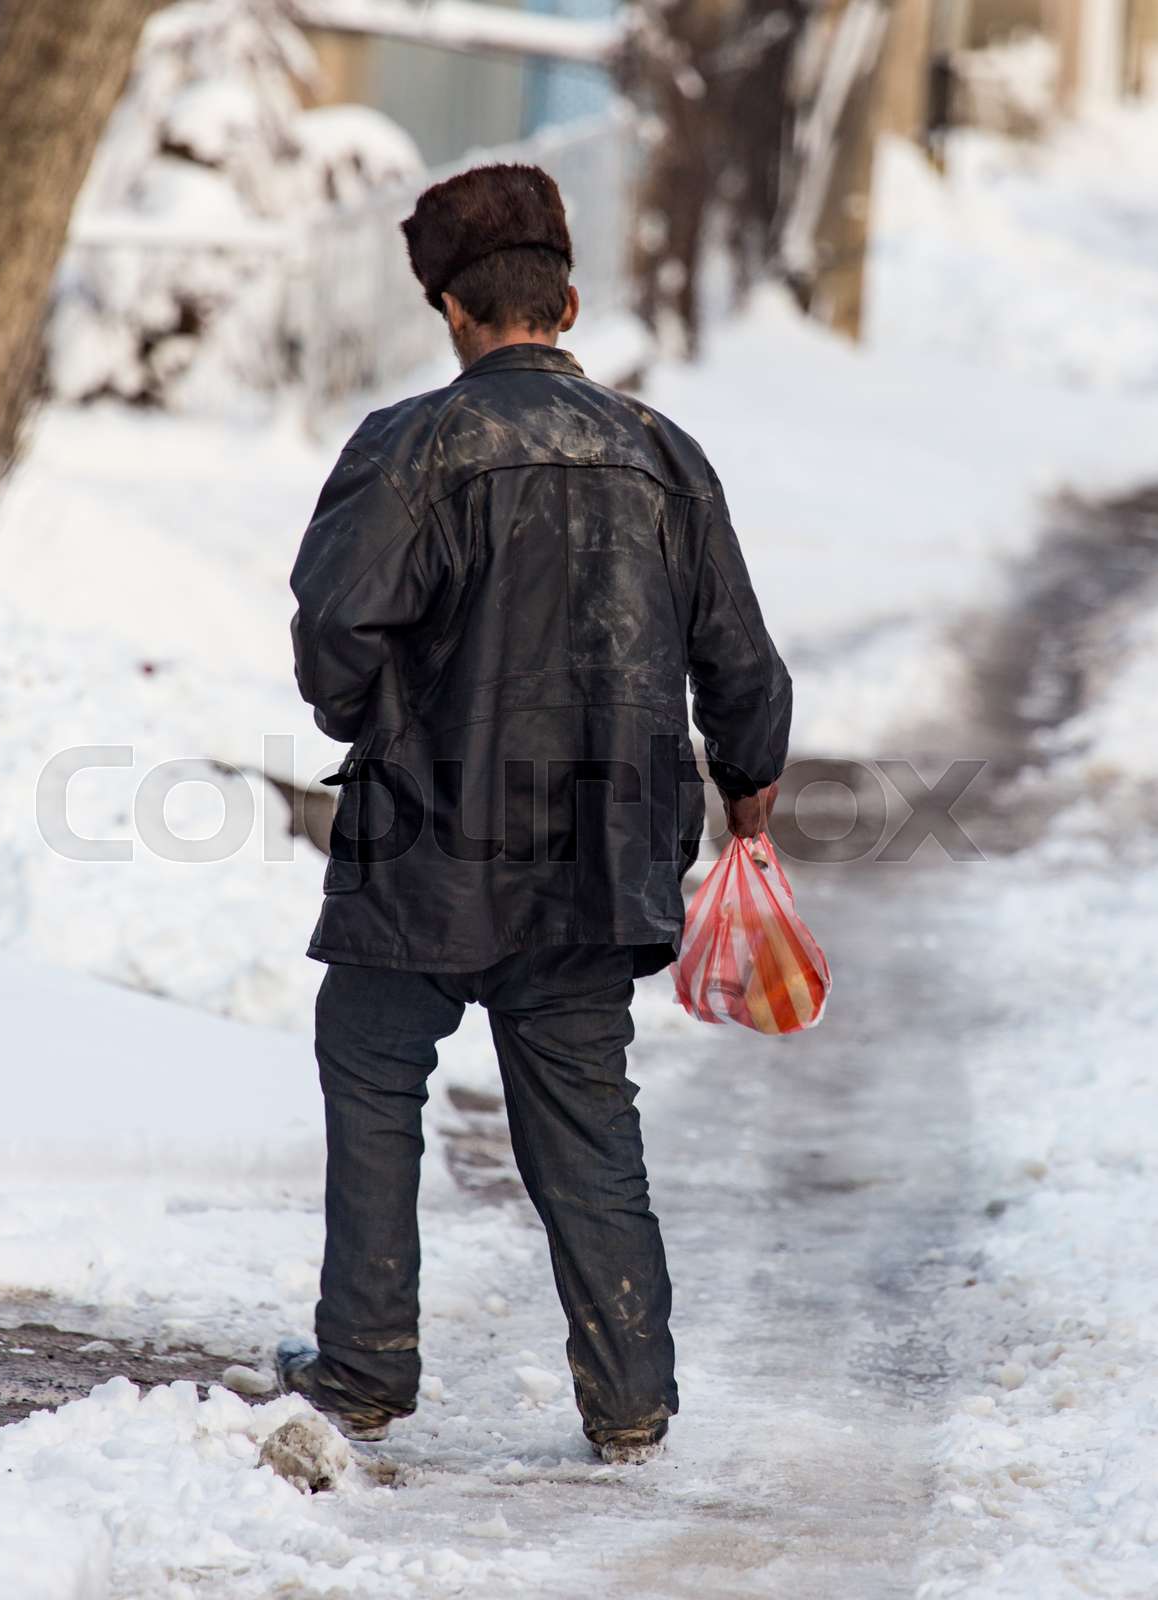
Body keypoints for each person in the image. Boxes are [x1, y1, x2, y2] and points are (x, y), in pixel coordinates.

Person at [279, 164, 790, 1465]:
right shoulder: (661, 452)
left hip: (423, 846)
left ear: (451, 309)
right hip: (601, 851)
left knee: (374, 1067)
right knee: (580, 1106)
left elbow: (338, 629)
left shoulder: (411, 445)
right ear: (566, 299)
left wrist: (365, 722)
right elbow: (739, 661)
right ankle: (628, 1396)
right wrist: (747, 786)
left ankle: (365, 1366)